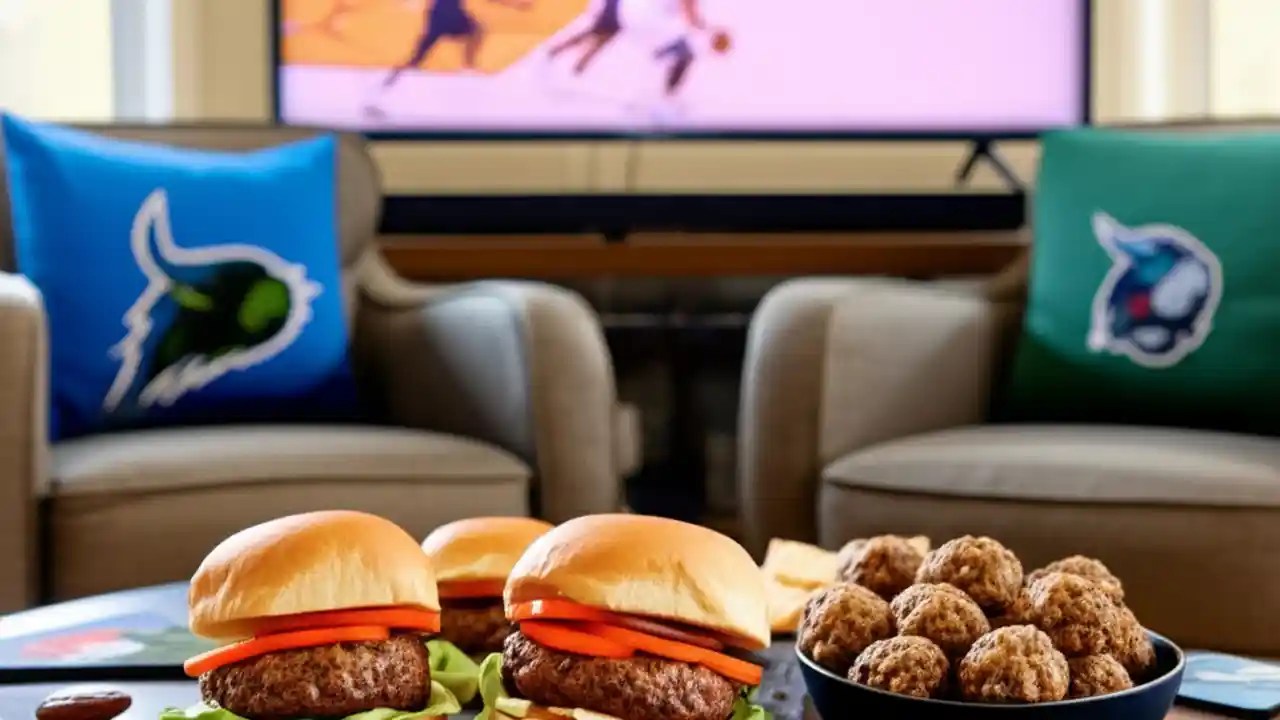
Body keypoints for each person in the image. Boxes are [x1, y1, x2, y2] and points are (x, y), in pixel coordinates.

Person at [366, 0, 530, 116]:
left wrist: (514, 4)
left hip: (448, 15)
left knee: (477, 30)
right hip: (442, 17)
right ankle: (380, 93)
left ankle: (381, 91)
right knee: (416, 58)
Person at [546, 0, 622, 75]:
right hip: (614, 19)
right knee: (597, 39)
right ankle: (579, 64)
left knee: (593, 37)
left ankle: (578, 62)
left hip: (612, 17)